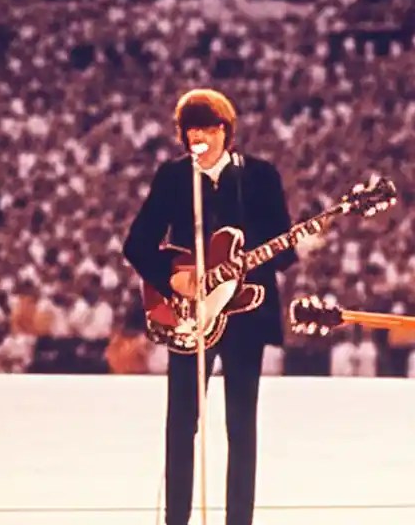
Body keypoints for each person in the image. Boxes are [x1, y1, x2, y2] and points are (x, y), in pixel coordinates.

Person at [123, 88, 297, 525]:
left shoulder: (259, 176)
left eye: (207, 128)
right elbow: (137, 243)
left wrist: (267, 252)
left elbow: (284, 252)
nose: (198, 137)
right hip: (189, 314)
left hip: (245, 315)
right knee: (181, 425)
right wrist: (172, 277)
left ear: (226, 131)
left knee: (242, 427)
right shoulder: (173, 177)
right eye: (191, 130)